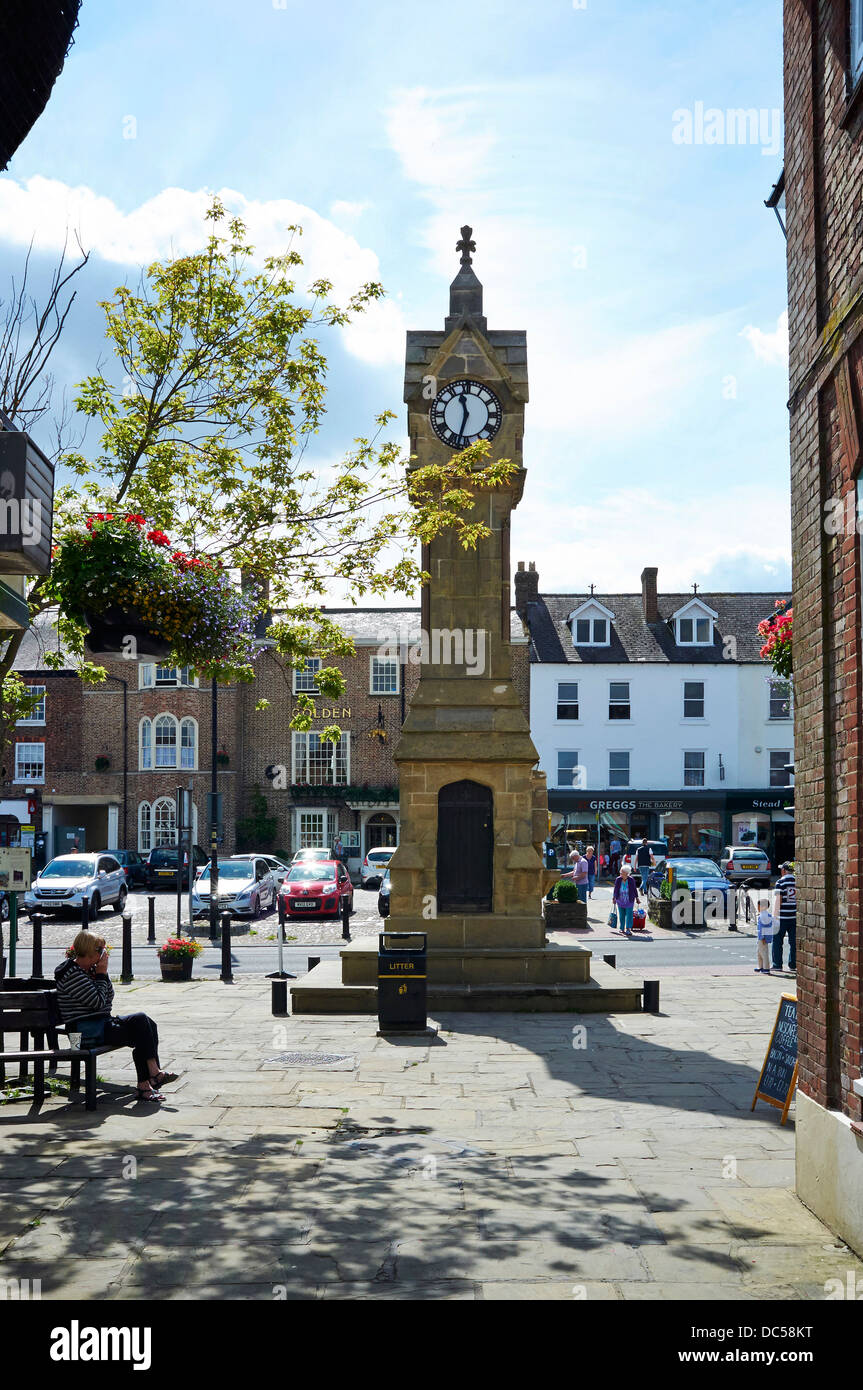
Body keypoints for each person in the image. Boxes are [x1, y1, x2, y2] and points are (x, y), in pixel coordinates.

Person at [54, 931, 178, 1102]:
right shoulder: (71, 973)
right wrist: (102, 974)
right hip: (82, 1033)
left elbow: (108, 998)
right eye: (102, 951)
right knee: (140, 1024)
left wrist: (100, 976)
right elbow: (99, 1002)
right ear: (91, 952)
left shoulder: (89, 970)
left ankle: (150, 1080)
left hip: (99, 1024)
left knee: (148, 1023)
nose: (105, 955)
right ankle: (150, 1078)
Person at [772, 861, 797, 973]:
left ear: (783, 870)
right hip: (794, 916)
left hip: (782, 917)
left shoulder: (780, 882)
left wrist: (775, 916)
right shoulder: (797, 881)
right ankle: (793, 964)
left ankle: (777, 964)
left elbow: (778, 900)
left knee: (777, 941)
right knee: (794, 942)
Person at [613, 864, 640, 936]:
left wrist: (637, 898)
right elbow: (615, 889)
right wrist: (614, 898)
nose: (620, 874)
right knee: (621, 915)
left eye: (622, 872)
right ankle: (622, 928)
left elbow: (634, 889)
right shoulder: (618, 879)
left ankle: (628, 929)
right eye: (620, 872)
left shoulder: (631, 880)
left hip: (629, 900)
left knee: (629, 914)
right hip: (620, 900)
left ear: (627, 873)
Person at [755, 898, 774, 974]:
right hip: (765, 937)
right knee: (759, 952)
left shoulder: (762, 916)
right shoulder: (768, 915)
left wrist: (762, 937)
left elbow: (761, 928)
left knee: (764, 953)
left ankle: (766, 968)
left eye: (758, 906)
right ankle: (760, 966)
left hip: (762, 937)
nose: (757, 907)